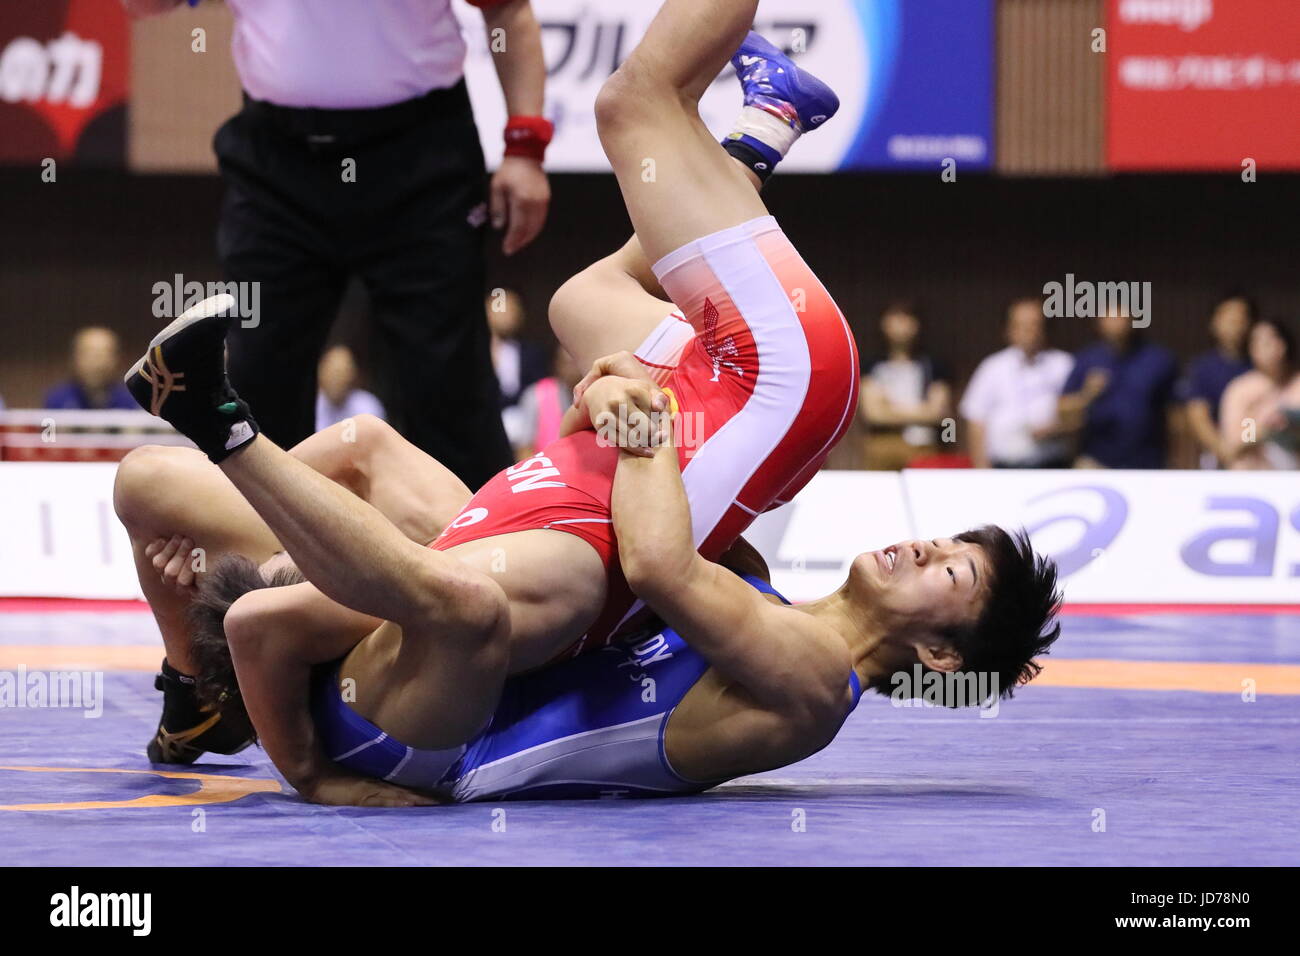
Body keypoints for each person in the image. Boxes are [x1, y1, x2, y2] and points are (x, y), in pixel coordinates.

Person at [120, 7, 1061, 806]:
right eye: (951, 543)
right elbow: (659, 545)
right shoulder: (768, 599)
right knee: (575, 305)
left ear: (940, 657)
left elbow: (653, 562)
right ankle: (761, 130)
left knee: (632, 106)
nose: (929, 546)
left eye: (952, 577)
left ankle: (224, 435)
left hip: (495, 639)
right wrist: (607, 410)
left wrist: (634, 410)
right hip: (624, 499)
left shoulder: (814, 683)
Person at [121, 0, 552, 491]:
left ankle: (486, 555)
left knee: (447, 381)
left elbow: (508, 11)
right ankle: (258, 555)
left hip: (420, 159)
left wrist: (525, 147)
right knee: (259, 373)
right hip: (278, 162)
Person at [959, 297, 1073, 469]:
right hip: (1005, 468)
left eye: (1035, 324)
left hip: (1052, 466)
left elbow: (1078, 413)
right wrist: (982, 473)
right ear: (1008, 330)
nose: (1029, 331)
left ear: (1045, 328)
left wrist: (1058, 428)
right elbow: (975, 420)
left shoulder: (1063, 365)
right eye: (1021, 325)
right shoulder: (992, 367)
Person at [1056, 310, 1178, 469]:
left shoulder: (1158, 359)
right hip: (1096, 460)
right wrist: (1087, 394)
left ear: (1133, 321)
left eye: (1121, 317)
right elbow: (1063, 410)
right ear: (1099, 323)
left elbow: (1177, 413)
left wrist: (1177, 459)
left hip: (1148, 462)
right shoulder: (1087, 359)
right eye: (1110, 318)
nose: (1116, 323)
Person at [858, 303, 952, 469]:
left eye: (907, 318)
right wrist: (921, 410)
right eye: (896, 318)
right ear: (884, 323)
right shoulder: (871, 366)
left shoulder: (934, 366)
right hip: (883, 448)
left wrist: (889, 407)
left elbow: (939, 414)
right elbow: (873, 415)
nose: (901, 325)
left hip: (924, 447)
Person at [1180, 294, 1254, 468]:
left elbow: (1254, 416)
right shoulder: (1202, 368)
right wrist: (1223, 450)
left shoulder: (1258, 368)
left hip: (1254, 454)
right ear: (1214, 323)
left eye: (1241, 319)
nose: (1235, 325)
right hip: (1215, 456)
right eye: (1229, 319)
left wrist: (1246, 444)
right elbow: (1198, 415)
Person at [1218, 319, 1300, 470]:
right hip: (1253, 478)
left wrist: (1291, 427)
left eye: (1272, 340)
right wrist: (1265, 429)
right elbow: (1232, 447)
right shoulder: (1241, 389)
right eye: (1258, 343)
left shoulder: (1297, 385)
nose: (1268, 348)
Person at [503, 343, 584, 460]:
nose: (572, 370)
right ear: (557, 365)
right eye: (567, 364)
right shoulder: (536, 395)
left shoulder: (594, 394)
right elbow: (524, 449)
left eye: (575, 363)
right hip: (546, 468)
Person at [44, 327, 137, 411]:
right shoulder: (57, 400)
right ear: (74, 358)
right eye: (89, 354)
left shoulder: (132, 400)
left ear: (117, 359)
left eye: (104, 355)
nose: (97, 363)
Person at [487, 288, 550, 410]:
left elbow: (540, 390)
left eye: (513, 309)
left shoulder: (533, 353)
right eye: (500, 307)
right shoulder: (475, 353)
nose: (507, 315)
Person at [315, 345, 385, 431]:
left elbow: (376, 440)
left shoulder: (367, 405)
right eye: (333, 373)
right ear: (320, 374)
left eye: (342, 373)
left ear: (353, 376)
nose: (337, 380)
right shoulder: (311, 404)